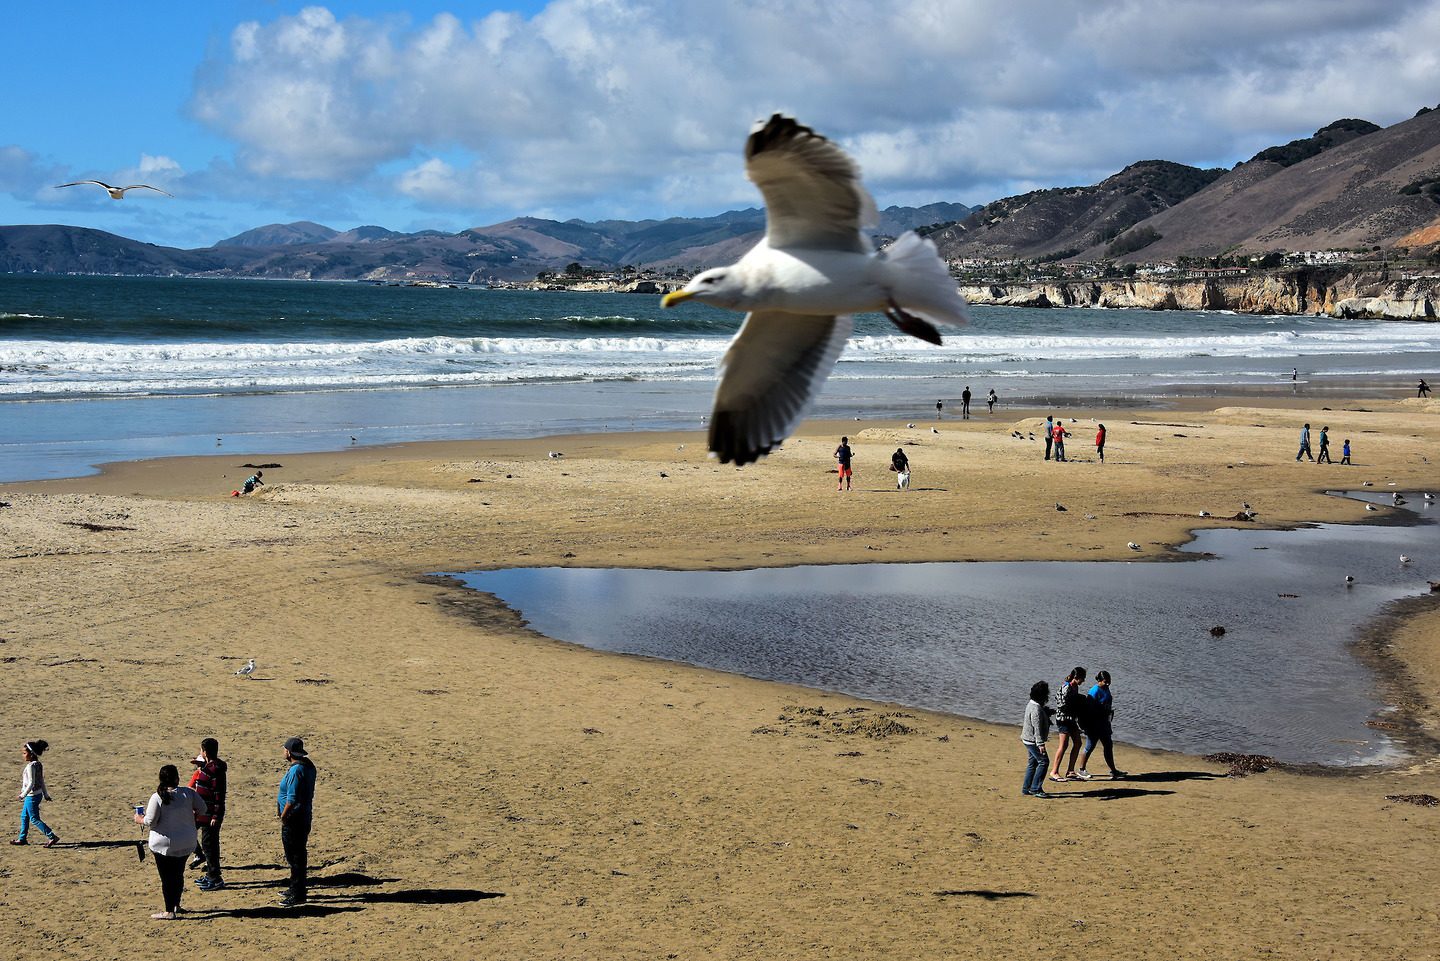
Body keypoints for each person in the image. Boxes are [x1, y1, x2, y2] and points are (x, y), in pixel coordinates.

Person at [133, 764, 207, 920]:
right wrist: (190, 816)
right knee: (178, 875)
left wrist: (139, 819)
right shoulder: (188, 793)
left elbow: (151, 821)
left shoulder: (157, 797)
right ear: (177, 778)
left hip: (163, 845)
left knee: (167, 878)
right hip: (186, 842)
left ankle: (169, 911)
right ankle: (176, 905)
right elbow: (203, 809)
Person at [277, 736, 317, 908]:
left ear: (289, 752)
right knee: (297, 855)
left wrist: (283, 816)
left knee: (295, 857)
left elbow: (291, 799)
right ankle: (295, 887)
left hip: (294, 819)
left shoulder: (296, 771)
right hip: (304, 816)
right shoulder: (308, 766)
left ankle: (298, 893)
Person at [188, 738, 228, 891]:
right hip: (205, 814)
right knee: (208, 844)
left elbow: (218, 796)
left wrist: (215, 816)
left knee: (210, 846)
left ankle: (215, 878)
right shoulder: (211, 768)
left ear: (204, 752)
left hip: (210, 815)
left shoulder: (213, 771)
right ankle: (211, 874)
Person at [1075, 670, 1126, 780]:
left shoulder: (1106, 688)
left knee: (1108, 745)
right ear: (1099, 681)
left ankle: (1113, 770)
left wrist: (1108, 712)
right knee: (1090, 746)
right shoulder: (1094, 691)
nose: (1107, 684)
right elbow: (1089, 709)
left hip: (1104, 723)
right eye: (1105, 681)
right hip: (1094, 724)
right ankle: (1081, 770)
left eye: (1109, 682)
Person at [12, 740, 59, 847]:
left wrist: (22, 795)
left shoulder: (30, 766)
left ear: (31, 754)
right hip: (38, 794)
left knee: (34, 819)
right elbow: (41, 780)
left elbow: (32, 783)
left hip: (31, 796)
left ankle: (52, 836)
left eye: (24, 753)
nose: (23, 755)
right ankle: (22, 838)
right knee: (24, 816)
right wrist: (46, 794)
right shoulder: (38, 764)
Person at [1049, 667, 1088, 782]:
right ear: (1076, 677)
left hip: (1071, 719)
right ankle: (1054, 771)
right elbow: (1061, 704)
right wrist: (1077, 702)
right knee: (1064, 745)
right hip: (1063, 719)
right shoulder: (1066, 687)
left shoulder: (1075, 687)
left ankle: (1070, 771)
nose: (1083, 681)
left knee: (1078, 743)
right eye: (1082, 678)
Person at [1021, 681, 1052, 798]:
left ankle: (1026, 788)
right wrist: (1041, 744)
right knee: (1044, 762)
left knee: (1032, 763)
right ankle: (1035, 788)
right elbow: (1037, 728)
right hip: (1032, 740)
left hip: (1027, 739)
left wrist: (1046, 713)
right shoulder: (1036, 709)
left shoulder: (1032, 704)